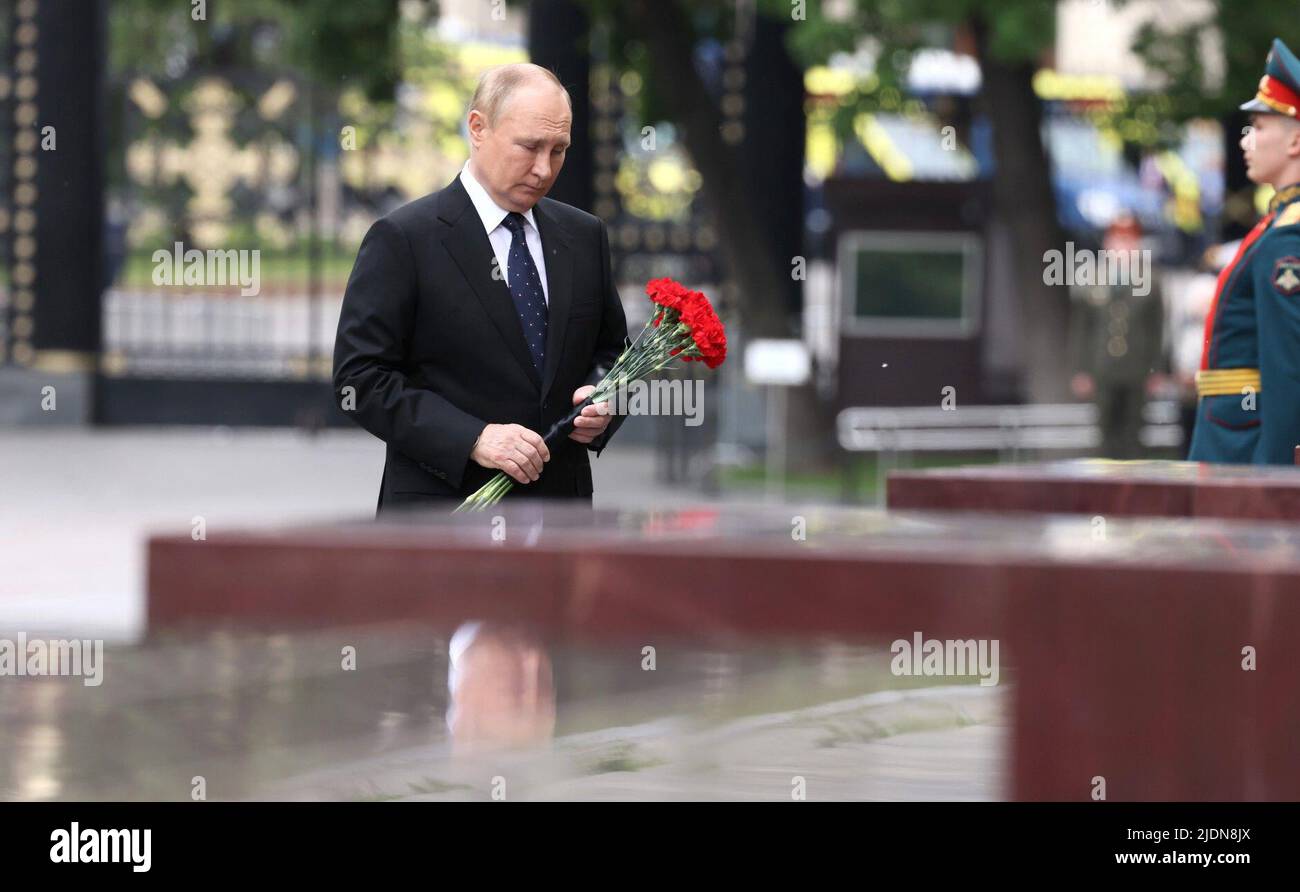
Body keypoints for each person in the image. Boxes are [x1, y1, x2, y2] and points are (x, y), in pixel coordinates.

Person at [333, 64, 629, 511]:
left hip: (562, 516)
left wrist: (603, 403)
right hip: (443, 514)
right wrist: (473, 438)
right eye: (529, 146)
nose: (543, 168)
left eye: (558, 150)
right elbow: (360, 379)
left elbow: (614, 354)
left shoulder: (583, 235)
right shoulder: (404, 238)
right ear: (478, 128)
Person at [1188, 38, 1300, 464]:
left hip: (1241, 446)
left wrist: (1272, 483)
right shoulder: (1279, 225)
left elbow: (1288, 372)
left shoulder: (1287, 239)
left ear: (1295, 143)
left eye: (1259, 128)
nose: (1245, 141)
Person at [1069, 214, 1166, 459]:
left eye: (1129, 241)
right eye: (1117, 240)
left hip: (1137, 368)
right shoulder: (1091, 279)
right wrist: (1081, 370)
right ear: (1107, 243)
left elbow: (1157, 329)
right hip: (1102, 367)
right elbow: (1082, 329)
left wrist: (1157, 370)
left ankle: (1132, 490)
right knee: (1105, 433)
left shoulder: (1151, 280)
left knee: (1134, 433)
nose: (1123, 247)